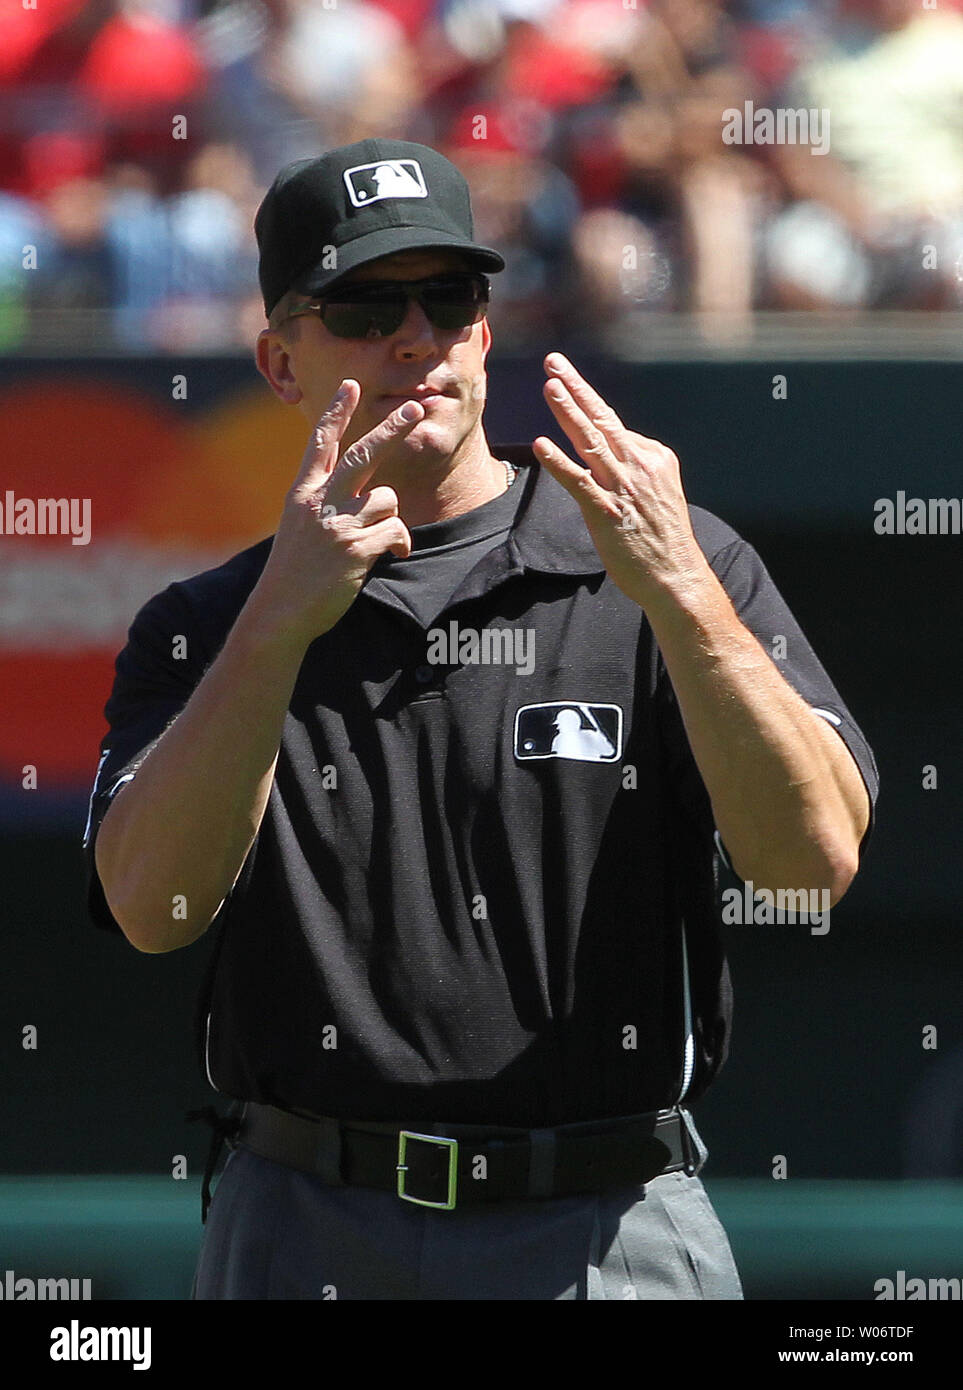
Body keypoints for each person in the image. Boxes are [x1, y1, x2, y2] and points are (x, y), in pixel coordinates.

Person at [83, 137, 878, 1301]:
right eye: (363, 305)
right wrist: (274, 630)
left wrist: (683, 596)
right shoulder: (207, 623)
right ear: (280, 359)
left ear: (487, 328)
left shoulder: (665, 561)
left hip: (604, 1225)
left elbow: (812, 861)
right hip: (309, 1224)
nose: (416, 337)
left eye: (449, 297)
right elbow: (155, 908)